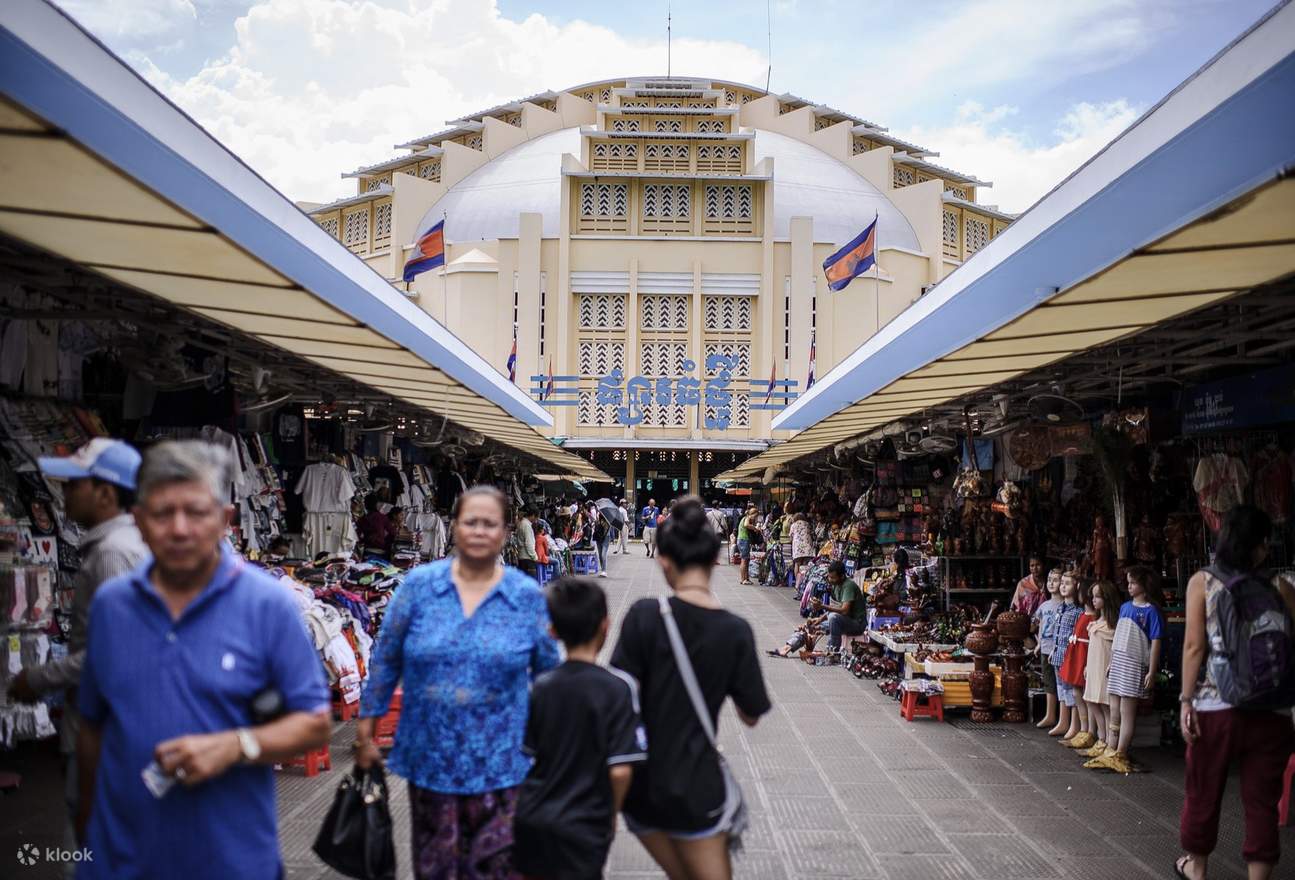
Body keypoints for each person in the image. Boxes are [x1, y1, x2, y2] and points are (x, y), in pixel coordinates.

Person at [75, 441, 330, 878]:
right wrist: (86, 842)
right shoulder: (112, 607)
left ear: (224, 519)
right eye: (162, 513)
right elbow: (93, 731)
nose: (178, 528)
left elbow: (315, 721)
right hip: (120, 860)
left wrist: (238, 745)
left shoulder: (267, 605)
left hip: (231, 859)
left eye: (195, 512)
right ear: (137, 519)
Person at [355, 486, 560, 880]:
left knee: (497, 868)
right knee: (437, 867)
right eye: (470, 522)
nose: (479, 531)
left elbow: (552, 674)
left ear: (504, 533)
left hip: (503, 761)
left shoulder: (525, 596)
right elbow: (386, 658)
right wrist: (367, 728)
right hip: (430, 757)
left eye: (490, 523)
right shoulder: (419, 588)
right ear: (453, 527)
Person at [6, 439, 149, 870]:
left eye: (74, 484)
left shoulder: (112, 554)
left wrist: (37, 679)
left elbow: (115, 655)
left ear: (106, 492)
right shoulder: (120, 547)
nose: (64, 493)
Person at [611, 496, 771, 879]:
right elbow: (751, 715)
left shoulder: (642, 616)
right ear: (715, 558)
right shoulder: (736, 631)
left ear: (664, 561)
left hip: (641, 791)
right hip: (697, 788)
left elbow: (617, 695)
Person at [1176, 506, 1295, 880]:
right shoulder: (1283, 588)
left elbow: (1195, 647)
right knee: (1262, 800)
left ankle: (1196, 868)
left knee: (1203, 788)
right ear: (1262, 547)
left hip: (1215, 707)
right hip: (1271, 710)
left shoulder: (1203, 582)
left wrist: (1185, 700)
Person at [513, 577, 646, 880]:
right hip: (586, 820)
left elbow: (528, 755)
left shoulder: (541, 687)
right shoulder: (618, 689)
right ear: (606, 625)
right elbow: (621, 770)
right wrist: (612, 814)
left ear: (553, 631)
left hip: (535, 815)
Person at [736, 506, 760, 585]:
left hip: (742, 540)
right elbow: (746, 525)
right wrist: (755, 528)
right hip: (744, 540)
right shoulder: (747, 518)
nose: (755, 518)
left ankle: (746, 578)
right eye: (755, 516)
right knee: (744, 560)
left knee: (746, 560)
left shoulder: (745, 518)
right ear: (752, 514)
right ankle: (743, 579)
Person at [517, 506, 539, 579]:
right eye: (536, 517)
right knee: (530, 582)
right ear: (532, 515)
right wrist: (534, 557)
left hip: (522, 558)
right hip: (528, 559)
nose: (536, 520)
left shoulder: (522, 523)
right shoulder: (526, 525)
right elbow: (529, 544)